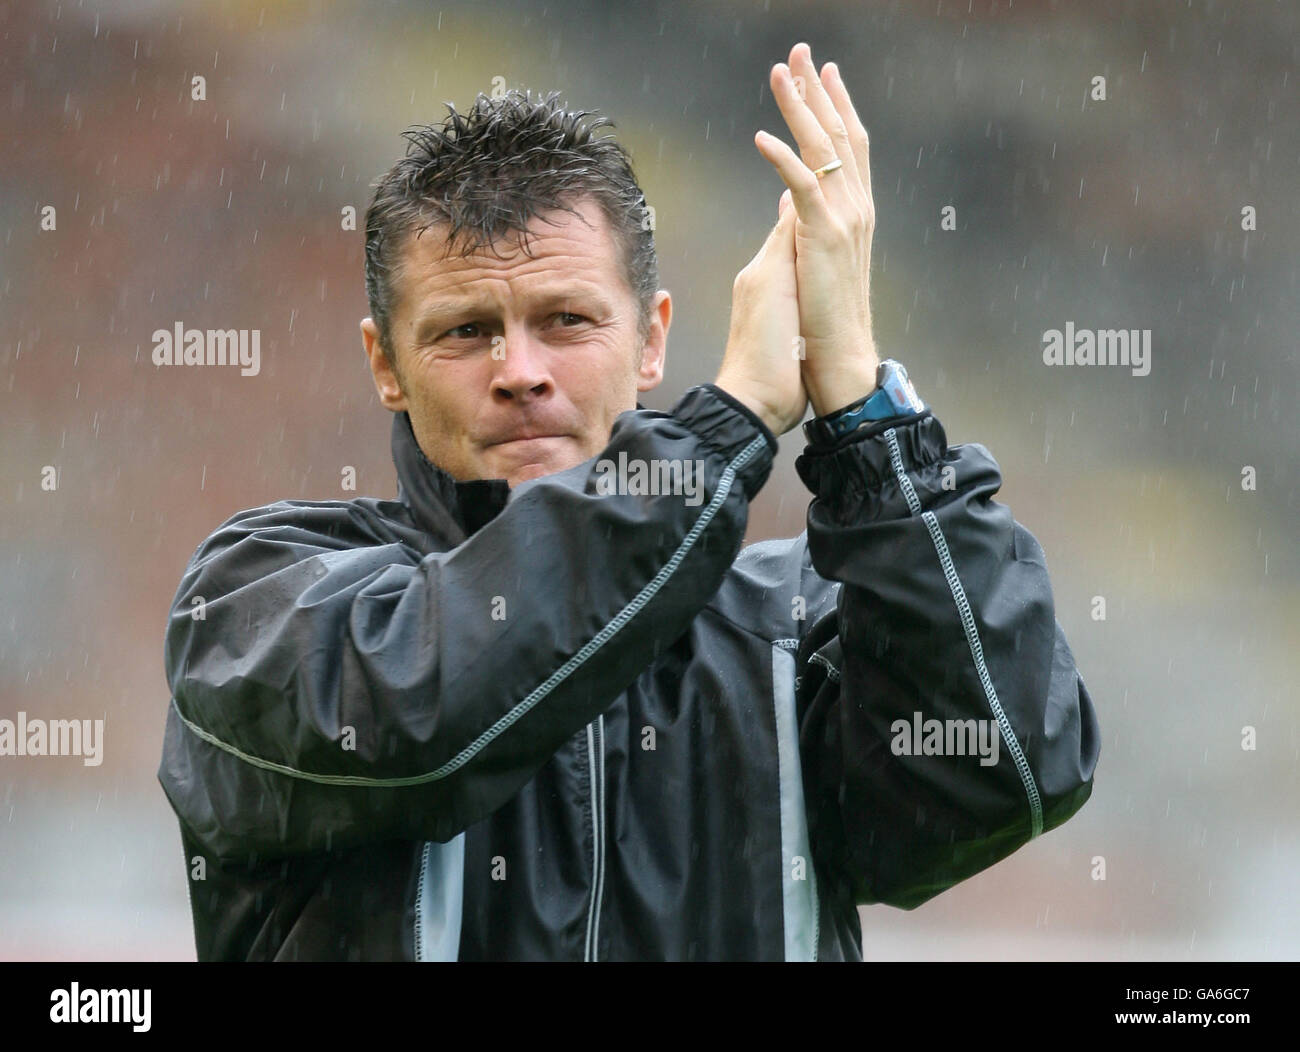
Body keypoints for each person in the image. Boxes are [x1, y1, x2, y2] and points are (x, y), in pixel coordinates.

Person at [158, 43, 1099, 961]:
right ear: (385, 366)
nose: (519, 373)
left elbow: (1004, 778)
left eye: (565, 321)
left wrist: (865, 417)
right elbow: (425, 721)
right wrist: (719, 436)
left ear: (651, 342)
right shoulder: (259, 596)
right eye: (465, 330)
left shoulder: (792, 632)